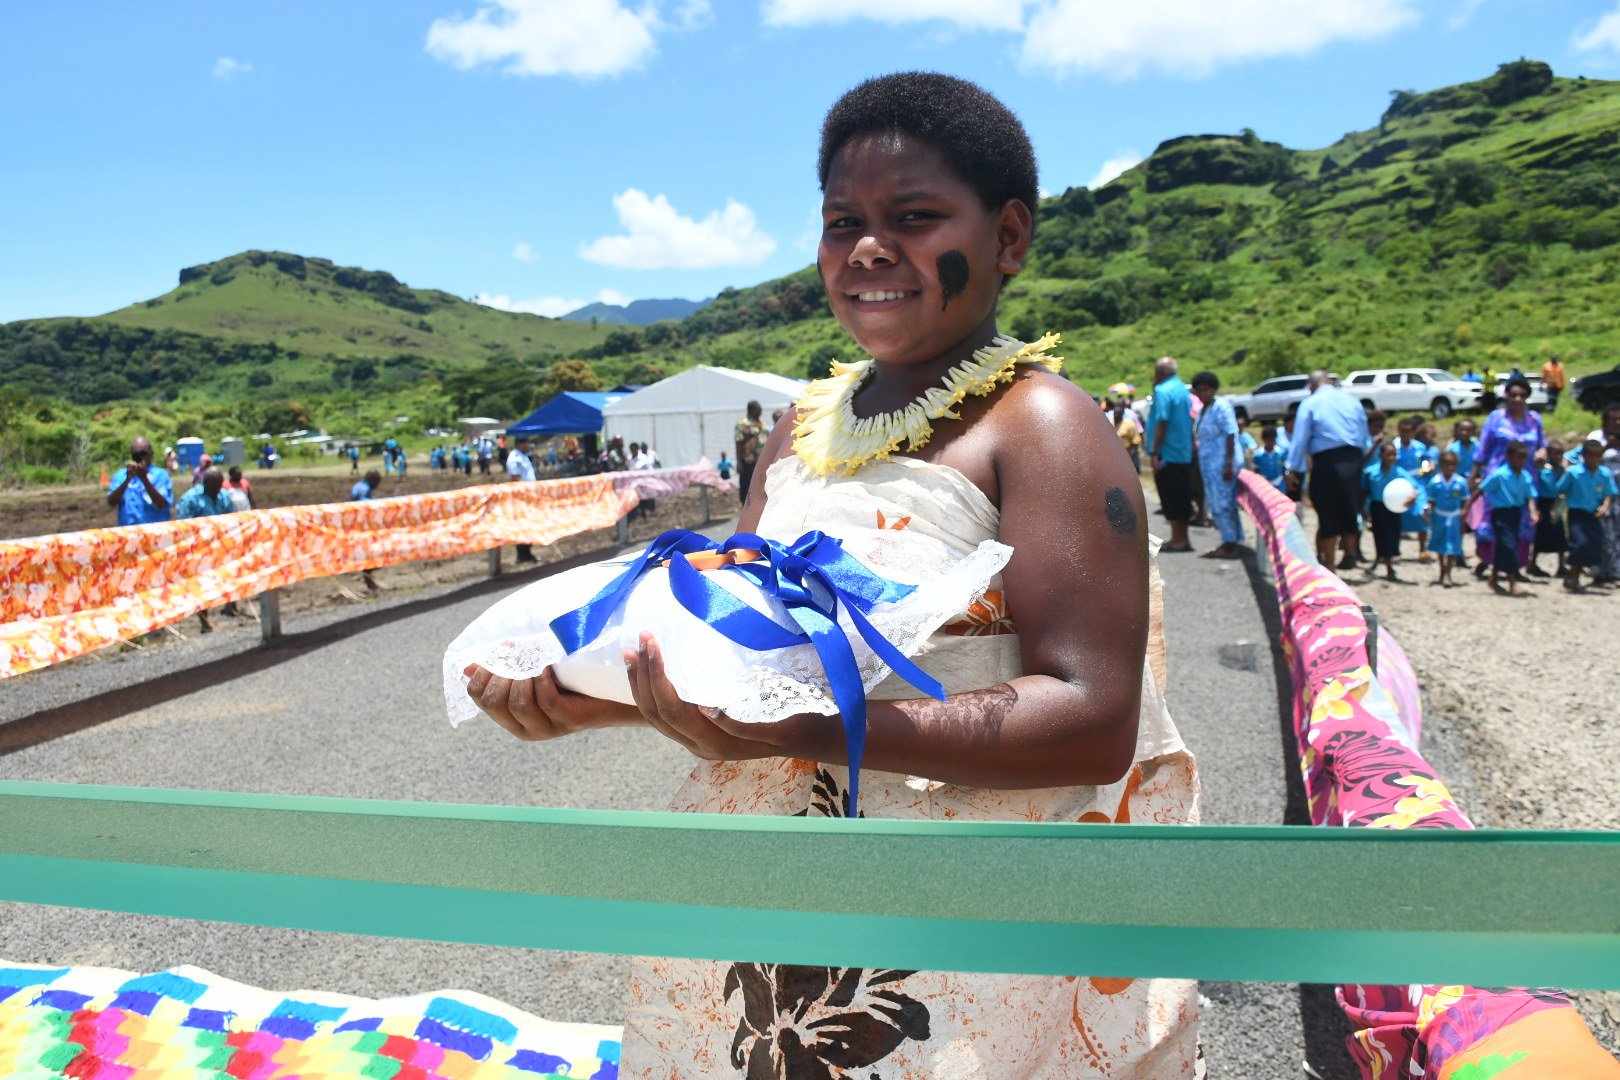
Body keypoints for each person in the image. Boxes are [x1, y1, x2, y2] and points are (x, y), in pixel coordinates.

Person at [461, 71, 1197, 1076]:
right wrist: (593, 701)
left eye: (915, 216)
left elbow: (1094, 714)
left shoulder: (1042, 429)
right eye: (842, 219)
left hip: (947, 935)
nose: (867, 247)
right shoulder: (799, 440)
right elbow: (741, 670)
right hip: (766, 894)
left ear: (1009, 238)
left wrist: (804, 730)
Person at [1286, 369, 1371, 569]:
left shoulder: (1310, 403)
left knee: (1327, 514)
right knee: (1350, 509)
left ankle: (1330, 566)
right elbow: (1363, 435)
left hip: (1327, 461)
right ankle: (1350, 553)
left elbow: (1300, 439)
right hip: (1353, 460)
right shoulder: (1352, 400)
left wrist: (1292, 468)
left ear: (1311, 386)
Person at [1469, 376, 1544, 579]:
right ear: (1506, 396)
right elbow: (1483, 447)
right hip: (1498, 477)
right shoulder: (1496, 417)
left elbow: (1541, 445)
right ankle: (1490, 561)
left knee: (1523, 522)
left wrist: (1541, 454)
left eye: (1521, 395)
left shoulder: (1535, 419)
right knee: (1495, 520)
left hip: (1526, 478)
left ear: (1527, 397)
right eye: (1513, 395)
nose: (1517, 399)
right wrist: (1474, 473)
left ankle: (1515, 567)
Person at [176, 467, 240, 631]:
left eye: (218, 487)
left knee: (227, 576)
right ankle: (204, 620)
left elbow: (232, 517)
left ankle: (231, 606)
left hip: (221, 545)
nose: (216, 491)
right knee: (202, 585)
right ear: (205, 484)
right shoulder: (190, 499)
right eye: (213, 487)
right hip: (200, 549)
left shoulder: (223, 496)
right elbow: (183, 526)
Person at [1190, 371, 1244, 558]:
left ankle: (1229, 544)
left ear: (1213, 389)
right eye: (1198, 390)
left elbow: (1230, 433)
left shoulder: (1221, 406)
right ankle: (1232, 540)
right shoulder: (1204, 410)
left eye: (1205, 390)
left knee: (1223, 505)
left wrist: (1228, 463)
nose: (1201, 394)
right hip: (1210, 466)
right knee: (1218, 503)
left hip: (1222, 465)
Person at [1146, 355, 1195, 552]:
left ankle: (1178, 539)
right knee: (1181, 496)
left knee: (1170, 496)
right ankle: (1181, 537)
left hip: (1167, 453)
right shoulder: (1181, 388)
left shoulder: (1162, 390)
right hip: (1182, 452)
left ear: (1159, 373)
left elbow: (1162, 421)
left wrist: (1156, 451)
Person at [1557, 439, 1617, 592]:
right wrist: (1556, 507)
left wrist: (1605, 506)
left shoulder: (1604, 473)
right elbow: (1561, 489)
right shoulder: (1573, 472)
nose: (1593, 459)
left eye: (1597, 456)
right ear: (1583, 456)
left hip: (1594, 514)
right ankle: (1573, 574)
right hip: (1576, 514)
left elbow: (1610, 493)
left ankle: (1573, 575)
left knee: (1594, 545)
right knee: (1580, 543)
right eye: (1590, 456)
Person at [1481, 441, 1538, 593]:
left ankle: (1493, 578)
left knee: (1503, 546)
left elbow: (1530, 495)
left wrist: (1533, 511)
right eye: (1517, 458)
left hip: (1516, 513)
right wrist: (1467, 508)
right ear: (1508, 457)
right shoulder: (1500, 475)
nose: (1520, 461)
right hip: (1500, 514)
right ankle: (1512, 582)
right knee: (1509, 546)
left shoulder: (1525, 476)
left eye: (1523, 458)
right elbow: (1482, 490)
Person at [1363, 441, 1418, 580]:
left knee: (1393, 535)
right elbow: (1364, 491)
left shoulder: (1399, 472)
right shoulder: (1370, 472)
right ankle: (1386, 564)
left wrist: (1412, 497)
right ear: (1381, 455)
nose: (1392, 457)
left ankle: (1386, 562)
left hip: (1394, 509)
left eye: (1394, 454)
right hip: (1377, 507)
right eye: (1388, 454)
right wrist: (1364, 510)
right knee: (1380, 535)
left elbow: (1414, 487)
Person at [1392, 417, 1433, 562]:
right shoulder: (1394, 446)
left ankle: (1423, 549)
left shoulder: (1420, 447)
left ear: (1413, 432)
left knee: (1422, 513)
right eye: (1402, 432)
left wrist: (1427, 468)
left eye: (1408, 432)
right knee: (1398, 515)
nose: (1405, 435)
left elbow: (1425, 465)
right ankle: (1396, 550)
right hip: (1399, 484)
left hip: (1418, 484)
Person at [106, 437, 173, 526]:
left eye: (143, 453)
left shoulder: (161, 475)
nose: (140, 457)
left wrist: (144, 479)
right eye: (136, 454)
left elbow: (161, 505)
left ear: (151, 454)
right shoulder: (121, 475)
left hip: (155, 533)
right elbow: (111, 502)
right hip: (129, 533)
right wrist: (127, 479)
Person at [1425, 451, 1469, 587]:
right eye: (1447, 464)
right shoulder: (1435, 482)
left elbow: (1465, 500)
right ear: (1441, 465)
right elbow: (1431, 501)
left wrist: (1463, 512)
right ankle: (1442, 570)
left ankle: (1448, 573)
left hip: (1454, 517)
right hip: (1439, 517)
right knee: (1440, 545)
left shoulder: (1460, 482)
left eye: (1453, 465)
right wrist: (1427, 512)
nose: (1450, 468)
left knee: (1452, 546)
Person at [1530, 442, 1567, 578]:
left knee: (1560, 535)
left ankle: (1561, 566)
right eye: (1555, 453)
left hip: (1556, 503)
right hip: (1543, 503)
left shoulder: (1562, 470)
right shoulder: (1541, 469)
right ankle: (1532, 564)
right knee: (1539, 535)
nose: (1558, 456)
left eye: (1560, 454)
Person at [506, 436, 539, 564]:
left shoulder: (523, 456)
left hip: (529, 495)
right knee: (522, 524)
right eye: (527, 443)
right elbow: (515, 479)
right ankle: (522, 554)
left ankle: (527, 552)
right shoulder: (514, 458)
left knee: (529, 524)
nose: (528, 445)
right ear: (521, 443)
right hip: (522, 497)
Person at [351, 469, 383, 591]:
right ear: (373, 480)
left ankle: (369, 580)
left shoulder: (358, 486)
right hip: (363, 526)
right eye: (377, 482)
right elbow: (364, 503)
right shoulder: (365, 489)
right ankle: (368, 580)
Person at [734, 399, 767, 505]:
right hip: (748, 462)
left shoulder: (761, 423)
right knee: (747, 487)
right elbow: (738, 443)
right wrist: (738, 462)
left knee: (760, 486)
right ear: (752, 410)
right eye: (758, 410)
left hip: (761, 461)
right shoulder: (742, 424)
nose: (761, 412)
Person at [1106, 396, 1143, 472]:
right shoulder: (1108, 422)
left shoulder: (1129, 424)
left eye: (1118, 414)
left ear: (1122, 413)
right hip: (1112, 458)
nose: (1116, 416)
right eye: (1115, 413)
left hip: (1127, 456)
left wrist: (1129, 459)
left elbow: (1135, 442)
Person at [1253, 424, 1288, 490]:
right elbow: (1256, 471)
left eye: (1272, 439)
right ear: (1263, 439)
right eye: (1267, 440)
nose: (1270, 442)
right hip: (1263, 485)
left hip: (1279, 484)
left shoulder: (1281, 453)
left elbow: (1285, 469)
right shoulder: (1258, 454)